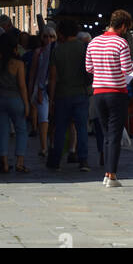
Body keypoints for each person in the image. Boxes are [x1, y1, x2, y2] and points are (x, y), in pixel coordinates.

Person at [85, 8, 133, 187]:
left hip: (98, 93)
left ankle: (107, 173)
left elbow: (89, 68)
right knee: (114, 135)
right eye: (126, 29)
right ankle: (112, 175)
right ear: (122, 26)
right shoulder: (121, 44)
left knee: (106, 134)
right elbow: (127, 70)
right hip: (116, 93)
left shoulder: (93, 42)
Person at [47, 17, 92, 170]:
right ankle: (83, 160)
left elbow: (53, 78)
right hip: (81, 92)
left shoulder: (57, 50)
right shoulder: (84, 48)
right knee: (81, 128)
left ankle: (56, 160)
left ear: (61, 33)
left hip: (62, 94)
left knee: (60, 128)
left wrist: (51, 99)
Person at [0, 30, 30, 172]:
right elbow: (22, 86)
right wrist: (26, 104)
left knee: (2, 131)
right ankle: (20, 162)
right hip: (15, 99)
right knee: (21, 130)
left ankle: (4, 163)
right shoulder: (18, 63)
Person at [29, 27, 55, 154]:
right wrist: (31, 90)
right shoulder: (38, 52)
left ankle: (52, 144)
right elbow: (33, 72)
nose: (48, 39)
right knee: (43, 118)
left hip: (54, 88)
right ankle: (44, 146)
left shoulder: (56, 51)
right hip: (42, 89)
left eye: (51, 36)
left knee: (53, 118)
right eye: (46, 36)